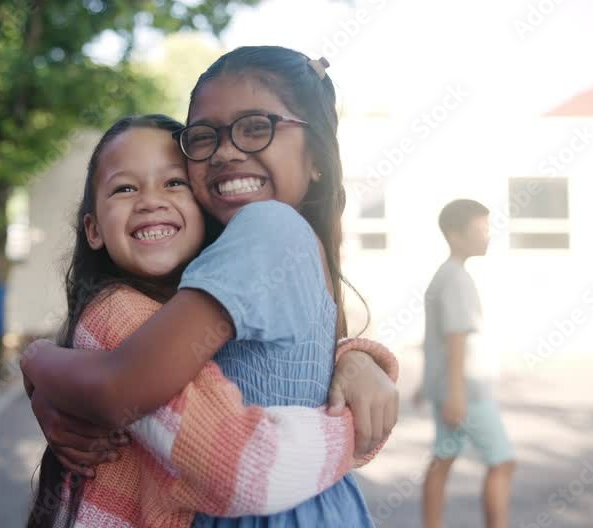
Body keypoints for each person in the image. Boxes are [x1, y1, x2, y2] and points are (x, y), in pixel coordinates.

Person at [22, 46, 399, 527]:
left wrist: (37, 362)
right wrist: (358, 362)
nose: (226, 152)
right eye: (204, 137)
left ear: (317, 158)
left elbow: (121, 386)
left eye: (257, 127)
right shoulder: (243, 249)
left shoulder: (267, 226)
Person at [418, 199, 515, 528]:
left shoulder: (444, 275)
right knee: (502, 461)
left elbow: (433, 339)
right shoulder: (457, 278)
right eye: (481, 229)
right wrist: (457, 395)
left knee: (443, 458)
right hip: (467, 392)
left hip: (450, 388)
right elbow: (455, 338)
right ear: (455, 235)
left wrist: (427, 384)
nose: (488, 235)